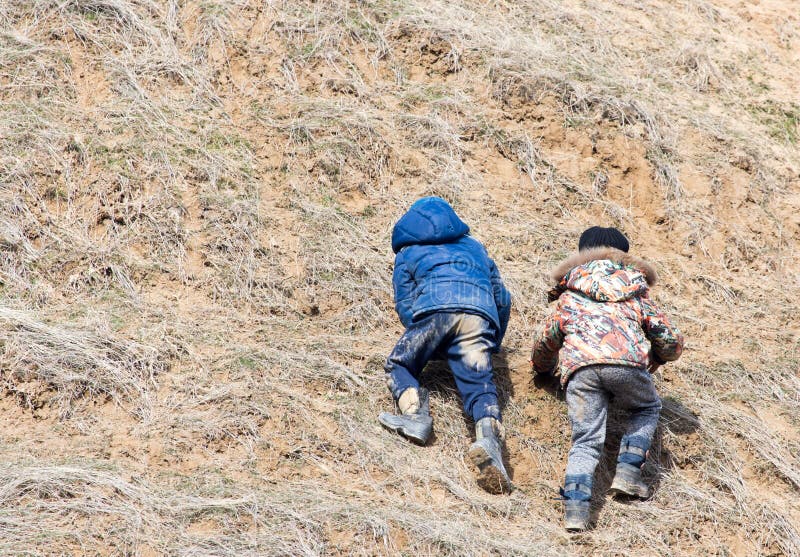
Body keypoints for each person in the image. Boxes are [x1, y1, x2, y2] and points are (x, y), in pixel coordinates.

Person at [530, 226, 684, 531]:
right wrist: (656, 359)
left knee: (585, 440)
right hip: (626, 367)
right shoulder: (637, 291)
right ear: (626, 258)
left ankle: (575, 510)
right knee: (646, 408)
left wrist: (543, 369)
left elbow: (547, 340)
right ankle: (628, 473)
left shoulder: (570, 292)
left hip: (582, 371)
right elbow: (671, 341)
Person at [378, 196, 513, 493]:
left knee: (400, 363)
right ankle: (488, 439)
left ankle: (414, 417)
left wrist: (425, 339)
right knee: (480, 387)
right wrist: (492, 342)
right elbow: (503, 297)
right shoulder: (475, 247)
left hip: (436, 313)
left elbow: (405, 302)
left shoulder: (409, 251)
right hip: (479, 318)